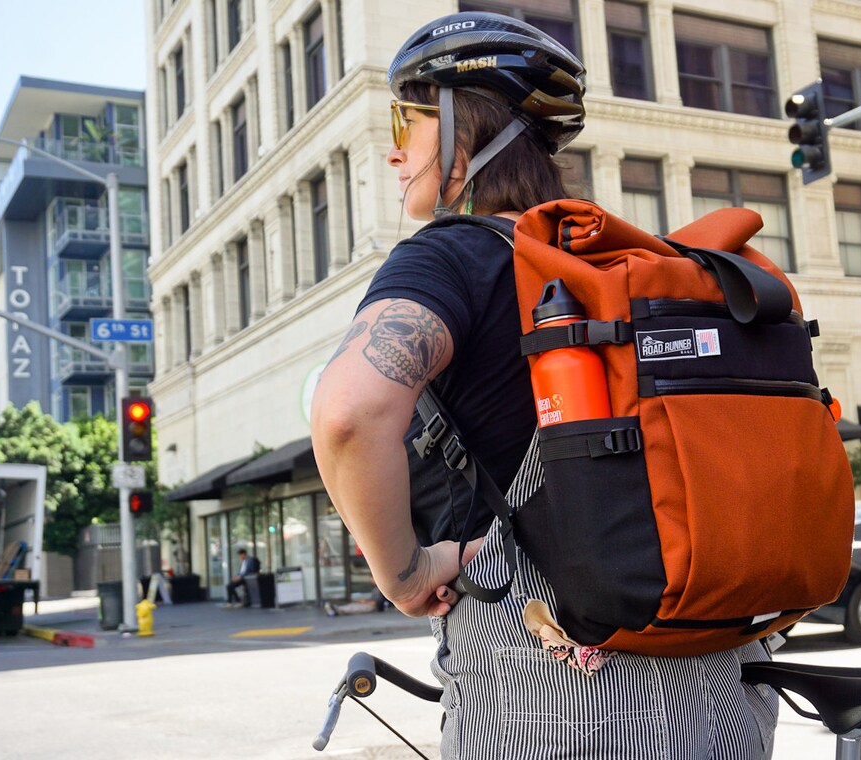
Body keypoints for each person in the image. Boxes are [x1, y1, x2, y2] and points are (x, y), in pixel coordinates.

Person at [310, 11, 778, 758]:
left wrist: (404, 572)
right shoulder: (626, 266)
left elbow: (347, 415)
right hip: (726, 687)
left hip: (553, 696)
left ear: (466, 126)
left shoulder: (452, 254)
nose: (395, 155)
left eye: (408, 123)